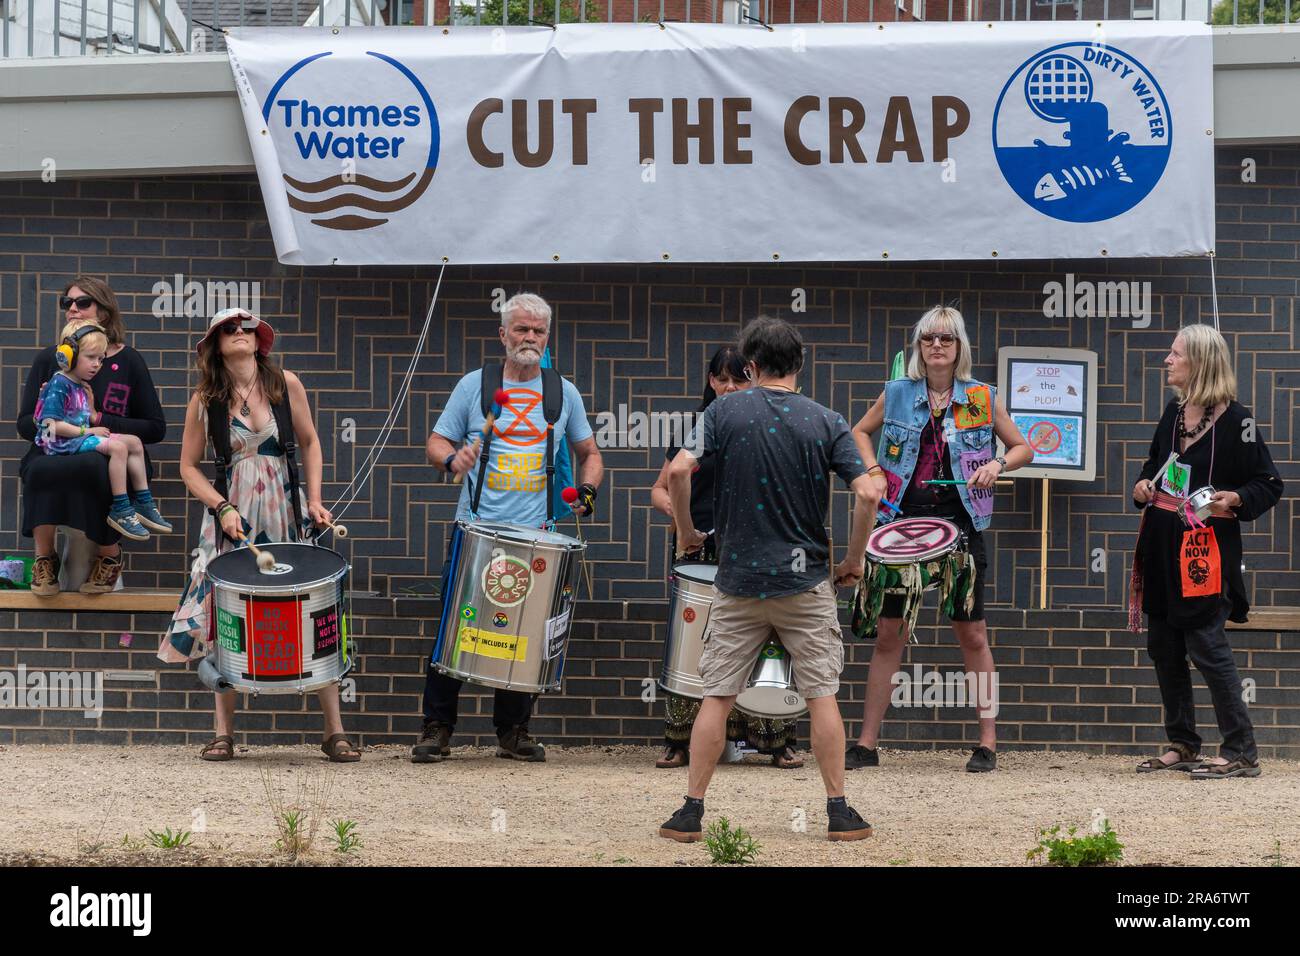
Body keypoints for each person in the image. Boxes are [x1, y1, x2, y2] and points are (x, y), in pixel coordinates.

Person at [658, 315, 880, 843]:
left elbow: (678, 471)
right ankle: (839, 812)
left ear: (750, 366)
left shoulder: (722, 412)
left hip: (736, 580)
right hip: (804, 583)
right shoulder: (827, 420)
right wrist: (851, 561)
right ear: (800, 366)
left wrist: (688, 532)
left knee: (717, 695)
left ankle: (690, 811)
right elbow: (869, 494)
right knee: (822, 694)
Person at [159, 308, 358, 763]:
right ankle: (223, 733)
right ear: (214, 344)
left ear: (258, 338)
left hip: (285, 510)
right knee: (225, 610)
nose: (239, 333)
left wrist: (314, 499)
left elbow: (309, 441)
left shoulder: (284, 383)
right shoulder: (205, 398)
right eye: (228, 329)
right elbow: (187, 467)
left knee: (311, 605)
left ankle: (334, 730)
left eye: (246, 327)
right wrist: (220, 505)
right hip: (231, 517)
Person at [412, 293, 604, 764]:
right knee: (455, 626)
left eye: (538, 331)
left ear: (548, 336)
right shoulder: (475, 387)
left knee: (525, 630)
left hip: (535, 534)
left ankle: (514, 731)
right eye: (521, 329)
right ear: (503, 334)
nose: (530, 338)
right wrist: (453, 458)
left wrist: (587, 493)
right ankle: (437, 729)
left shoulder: (564, 392)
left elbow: (590, 454)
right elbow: (436, 442)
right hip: (476, 529)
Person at [846, 305, 1032, 773]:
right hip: (902, 523)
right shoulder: (897, 393)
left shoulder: (981, 398)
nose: (936, 346)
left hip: (962, 522)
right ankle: (867, 744)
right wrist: (872, 470)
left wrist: (997, 464)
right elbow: (858, 434)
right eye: (929, 338)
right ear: (918, 346)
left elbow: (1023, 446)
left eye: (946, 339)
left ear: (960, 347)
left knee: (972, 632)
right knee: (890, 632)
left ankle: (987, 743)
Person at [1130, 324, 1282, 779]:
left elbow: (1269, 483)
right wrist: (1141, 487)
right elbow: (1152, 468)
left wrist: (1236, 499)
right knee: (1164, 646)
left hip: (1203, 555)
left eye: (1175, 354)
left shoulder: (1238, 422)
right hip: (1160, 550)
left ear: (1199, 363)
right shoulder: (1173, 415)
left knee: (1206, 646)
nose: (1167, 360)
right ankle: (1183, 742)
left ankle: (1241, 750)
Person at [649, 345, 803, 770]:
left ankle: (775, 739)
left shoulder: (769, 428)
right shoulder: (694, 429)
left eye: (739, 379)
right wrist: (682, 523)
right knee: (691, 641)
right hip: (698, 546)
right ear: (711, 381)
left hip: (756, 546)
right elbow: (660, 488)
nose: (730, 387)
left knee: (766, 637)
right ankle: (679, 741)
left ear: (754, 379)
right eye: (722, 379)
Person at [16, 277, 167, 594]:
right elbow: (25, 423)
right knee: (39, 465)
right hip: (56, 447)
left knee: (95, 465)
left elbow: (155, 427)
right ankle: (45, 559)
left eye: (83, 302)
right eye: (66, 303)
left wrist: (100, 419)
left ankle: (109, 556)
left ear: (105, 310)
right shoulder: (50, 360)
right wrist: (50, 419)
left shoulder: (129, 361)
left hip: (110, 453)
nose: (72, 308)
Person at [35, 321, 171, 542]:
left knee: (134, 442)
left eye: (100, 359)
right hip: (62, 443)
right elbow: (51, 425)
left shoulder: (79, 384)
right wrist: (87, 431)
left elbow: (82, 414)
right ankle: (121, 509)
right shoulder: (59, 383)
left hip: (78, 436)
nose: (97, 365)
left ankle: (143, 502)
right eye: (91, 357)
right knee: (117, 448)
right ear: (67, 355)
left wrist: (91, 416)